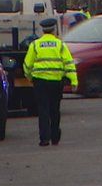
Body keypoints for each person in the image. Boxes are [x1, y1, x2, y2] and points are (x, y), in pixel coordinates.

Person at [24, 18, 78, 147]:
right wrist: (74, 81)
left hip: (40, 82)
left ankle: (44, 139)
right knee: (55, 110)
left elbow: (27, 64)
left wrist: (30, 77)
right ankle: (55, 137)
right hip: (56, 82)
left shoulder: (35, 45)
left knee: (43, 110)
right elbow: (69, 63)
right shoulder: (60, 45)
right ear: (54, 30)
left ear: (43, 30)